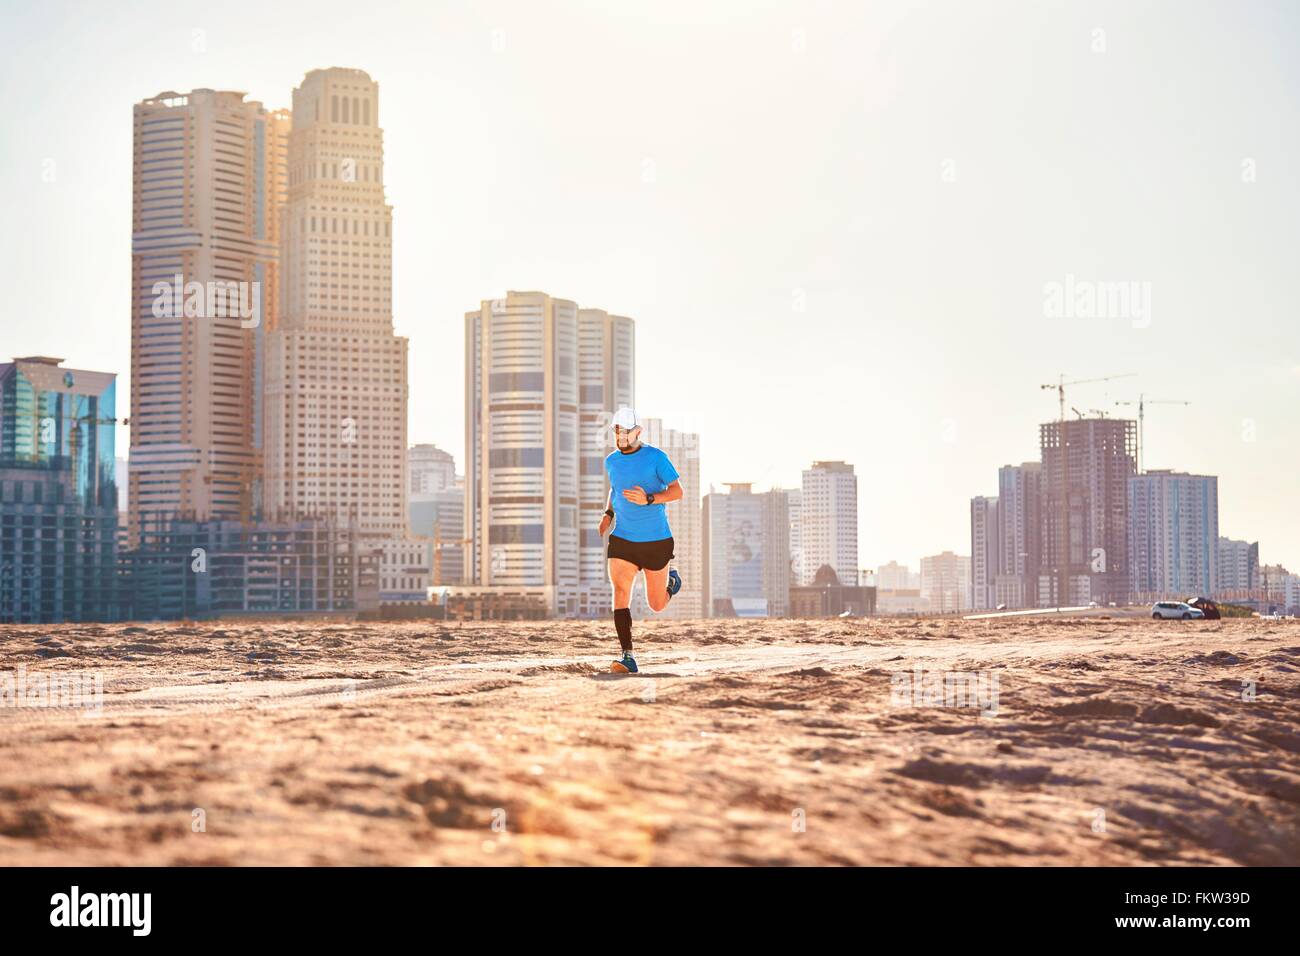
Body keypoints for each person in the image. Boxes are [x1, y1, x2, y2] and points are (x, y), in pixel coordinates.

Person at [600, 406, 684, 673]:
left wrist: (649, 498)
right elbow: (614, 489)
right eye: (617, 431)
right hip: (623, 538)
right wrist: (608, 513)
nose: (621, 437)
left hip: (656, 540)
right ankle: (627, 656)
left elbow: (677, 491)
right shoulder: (611, 461)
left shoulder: (656, 458)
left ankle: (672, 582)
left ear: (638, 432)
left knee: (656, 604)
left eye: (625, 432)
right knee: (621, 591)